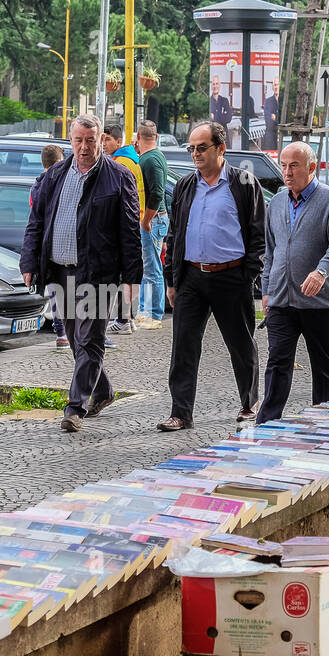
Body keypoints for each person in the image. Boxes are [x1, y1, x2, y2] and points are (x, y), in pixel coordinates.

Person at [20, 114, 141, 433]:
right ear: (70, 141)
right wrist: (29, 262)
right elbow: (37, 221)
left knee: (91, 340)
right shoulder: (56, 174)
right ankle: (102, 390)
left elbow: (130, 230)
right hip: (60, 271)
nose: (84, 146)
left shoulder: (118, 176)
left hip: (99, 272)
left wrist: (132, 278)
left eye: (90, 140)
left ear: (101, 139)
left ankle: (75, 407)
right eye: (78, 140)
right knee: (75, 339)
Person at [158, 120, 266, 431]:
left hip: (232, 277)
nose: (195, 154)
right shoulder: (185, 186)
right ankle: (181, 412)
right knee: (183, 347)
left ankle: (249, 404)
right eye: (191, 148)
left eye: (201, 148)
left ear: (220, 148)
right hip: (192, 276)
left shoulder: (244, 184)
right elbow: (174, 234)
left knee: (241, 345)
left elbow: (259, 235)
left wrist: (249, 276)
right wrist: (172, 280)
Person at [256, 141, 329, 424]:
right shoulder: (277, 202)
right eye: (283, 165)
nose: (287, 171)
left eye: (293, 165)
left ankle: (323, 421)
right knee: (277, 362)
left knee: (323, 365)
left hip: (320, 302)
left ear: (311, 167)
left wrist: (321, 272)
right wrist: (266, 289)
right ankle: (267, 422)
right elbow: (271, 250)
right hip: (282, 301)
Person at [102, 124, 145, 337]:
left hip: (123, 226)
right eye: (103, 139)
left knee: (120, 276)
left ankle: (123, 319)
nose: (104, 143)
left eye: (108, 139)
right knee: (126, 275)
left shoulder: (121, 163)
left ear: (119, 142)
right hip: (132, 222)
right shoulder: (130, 159)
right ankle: (127, 318)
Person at [133, 122, 169, 329]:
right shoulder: (156, 156)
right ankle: (146, 312)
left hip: (153, 220)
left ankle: (153, 314)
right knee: (150, 266)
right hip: (157, 218)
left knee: (152, 268)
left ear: (139, 136)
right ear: (156, 136)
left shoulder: (150, 160)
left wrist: (146, 220)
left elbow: (156, 194)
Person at [34, 144, 68, 348]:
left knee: (55, 290)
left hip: (44, 246)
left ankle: (61, 333)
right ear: (58, 162)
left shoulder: (37, 184)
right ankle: (68, 333)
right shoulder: (57, 184)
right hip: (58, 244)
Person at [262, 80, 280, 151]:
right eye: (274, 85)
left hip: (283, 138)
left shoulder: (284, 101)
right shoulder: (268, 101)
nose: (276, 87)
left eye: (277, 85)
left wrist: (275, 118)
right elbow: (268, 122)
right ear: (272, 87)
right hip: (270, 139)